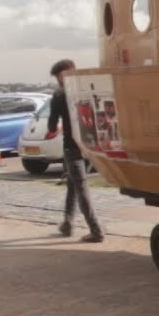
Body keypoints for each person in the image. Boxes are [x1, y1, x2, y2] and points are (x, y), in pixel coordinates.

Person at [48, 59, 104, 243]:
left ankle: (96, 230)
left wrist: (56, 128)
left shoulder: (58, 95)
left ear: (59, 77)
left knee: (80, 187)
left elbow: (51, 125)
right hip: (90, 144)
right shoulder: (86, 90)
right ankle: (67, 223)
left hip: (72, 146)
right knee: (73, 185)